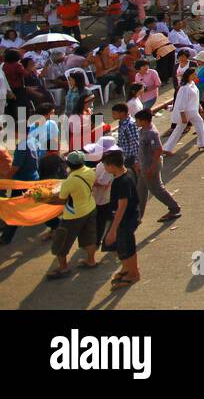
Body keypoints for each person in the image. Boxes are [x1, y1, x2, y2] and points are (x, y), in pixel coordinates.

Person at [42, 150, 99, 278]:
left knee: (61, 242)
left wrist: (45, 200)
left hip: (73, 215)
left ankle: (63, 268)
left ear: (69, 164)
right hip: (90, 208)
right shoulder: (90, 171)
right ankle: (91, 261)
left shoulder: (70, 181)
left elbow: (61, 200)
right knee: (89, 237)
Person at [99, 149, 141, 290]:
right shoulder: (128, 172)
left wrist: (113, 229)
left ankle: (133, 273)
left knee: (126, 246)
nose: (104, 168)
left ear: (111, 166)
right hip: (129, 216)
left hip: (125, 219)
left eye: (105, 165)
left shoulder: (122, 181)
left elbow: (122, 206)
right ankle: (126, 269)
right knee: (123, 246)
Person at [133, 109, 182, 221]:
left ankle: (174, 208)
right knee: (141, 190)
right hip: (144, 165)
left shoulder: (151, 133)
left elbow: (158, 150)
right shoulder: (143, 130)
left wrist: (152, 167)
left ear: (144, 121)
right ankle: (138, 216)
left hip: (150, 166)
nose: (136, 122)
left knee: (157, 189)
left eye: (138, 120)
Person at [161, 67, 204, 155]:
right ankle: (203, 143)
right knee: (198, 123)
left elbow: (195, 97)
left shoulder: (192, 84)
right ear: (189, 75)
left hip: (192, 110)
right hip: (188, 111)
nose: (196, 75)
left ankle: (167, 148)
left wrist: (199, 106)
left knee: (180, 129)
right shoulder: (184, 88)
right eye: (194, 74)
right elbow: (181, 103)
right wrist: (183, 115)